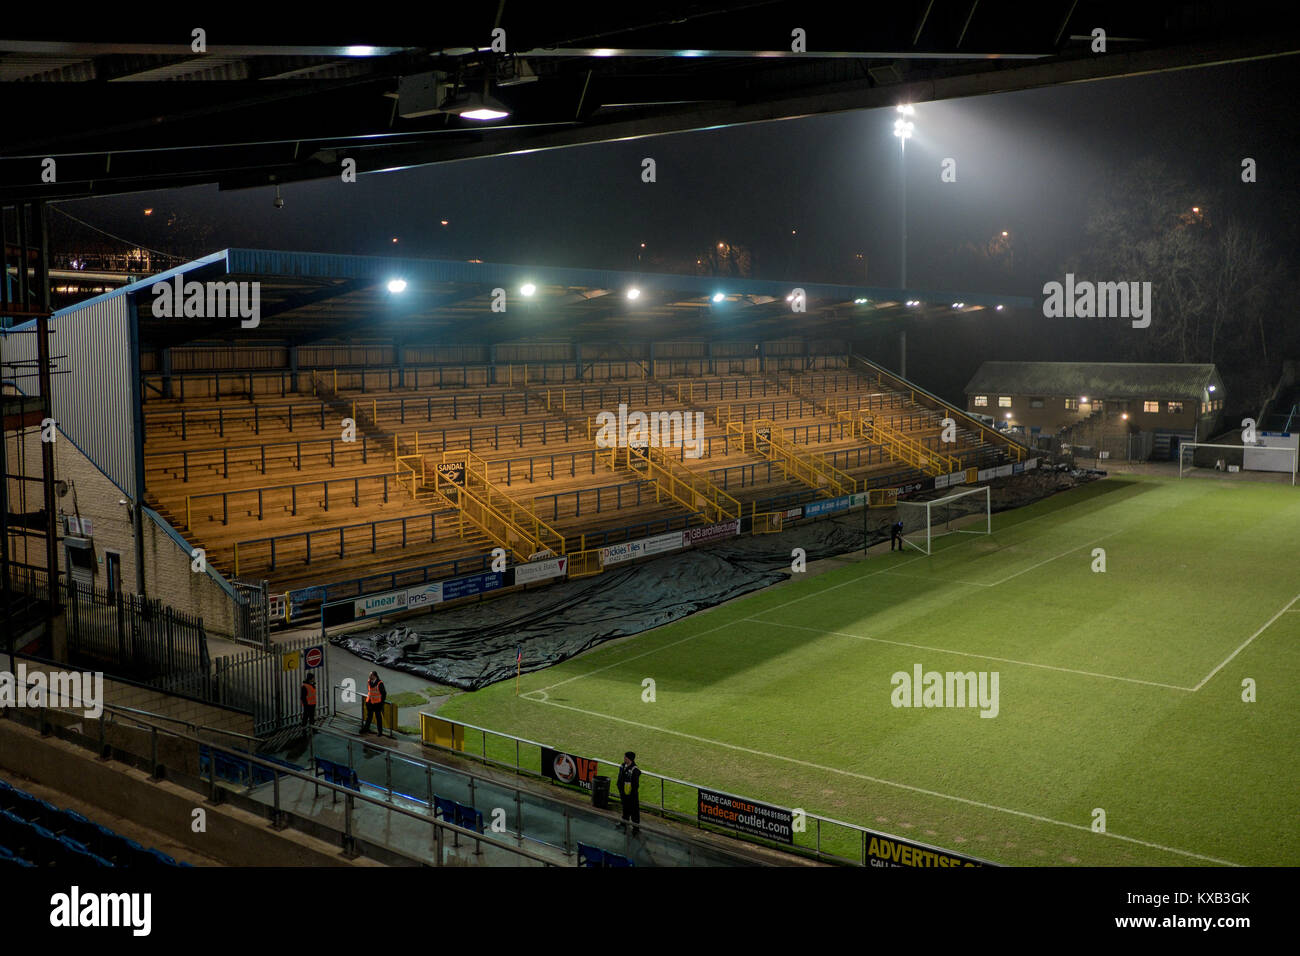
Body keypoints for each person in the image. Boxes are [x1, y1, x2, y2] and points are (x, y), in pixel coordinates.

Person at [616, 751, 641, 834]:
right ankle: (624, 822)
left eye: (625, 757)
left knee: (634, 811)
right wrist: (620, 790)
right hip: (623, 793)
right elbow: (620, 779)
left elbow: (635, 785)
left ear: (629, 759)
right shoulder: (623, 766)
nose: (624, 758)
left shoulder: (635, 770)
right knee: (625, 809)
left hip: (632, 796)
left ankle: (636, 828)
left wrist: (630, 795)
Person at [359, 671, 386, 736]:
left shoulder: (380, 683)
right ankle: (366, 729)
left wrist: (381, 703)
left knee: (378, 718)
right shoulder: (369, 681)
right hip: (370, 702)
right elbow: (370, 691)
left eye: (371, 675)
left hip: (377, 704)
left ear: (374, 676)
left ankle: (380, 732)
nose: (369, 676)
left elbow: (384, 694)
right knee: (369, 717)